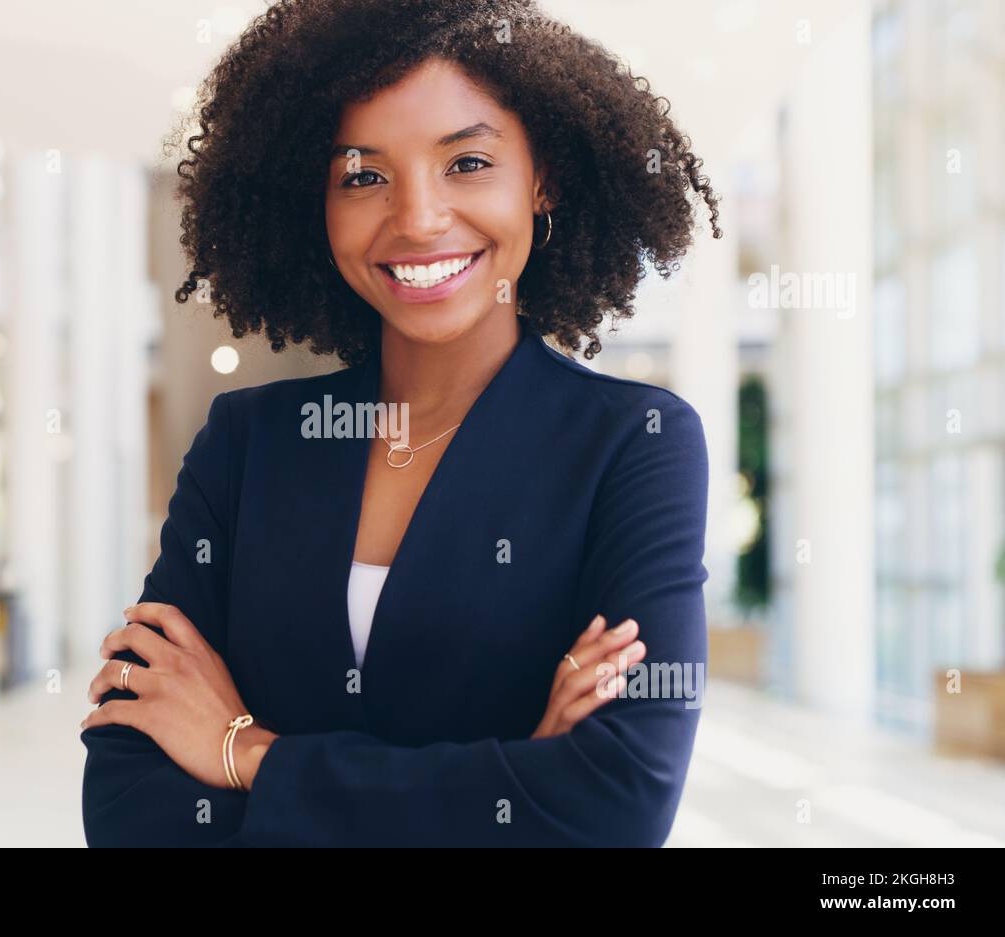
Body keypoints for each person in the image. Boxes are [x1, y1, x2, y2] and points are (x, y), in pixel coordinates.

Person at [80, 0, 720, 846]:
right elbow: (130, 806)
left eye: (467, 161)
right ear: (316, 199)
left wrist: (246, 751)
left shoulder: (632, 443)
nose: (418, 217)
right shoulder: (247, 445)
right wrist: (516, 772)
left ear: (543, 177)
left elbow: (615, 802)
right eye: (364, 174)